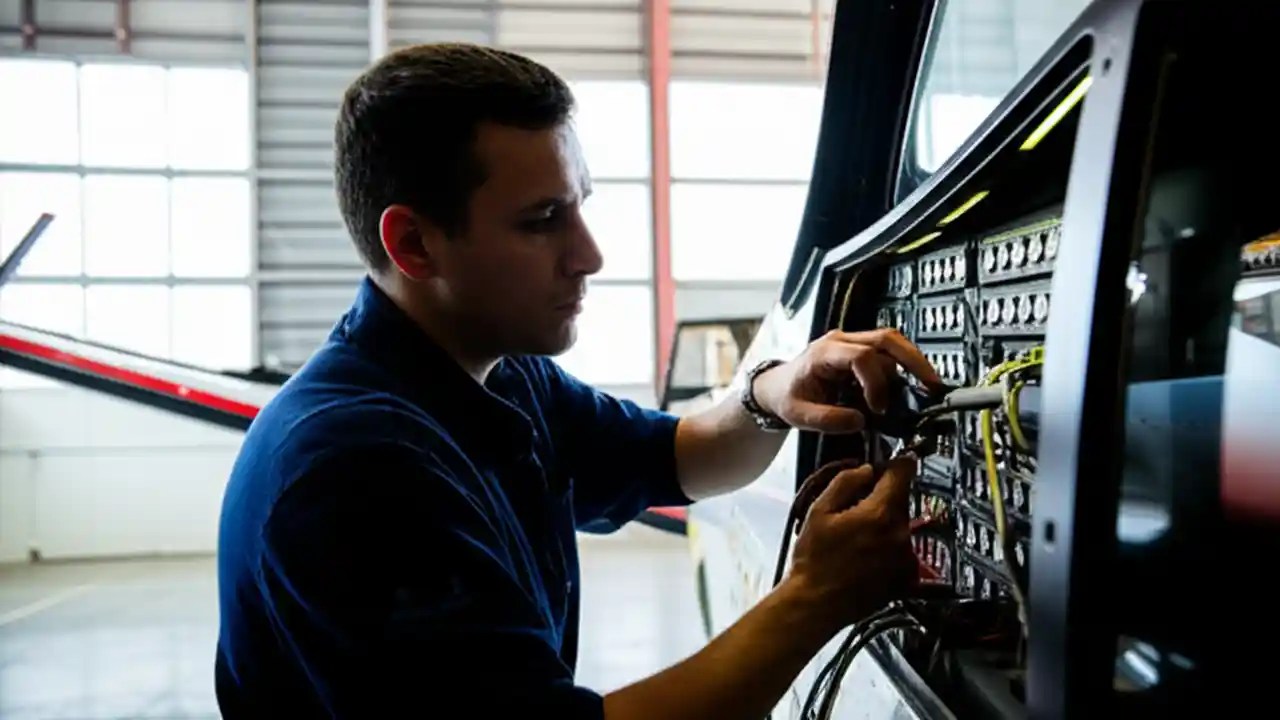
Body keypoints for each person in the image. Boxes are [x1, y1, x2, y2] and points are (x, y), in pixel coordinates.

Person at [214, 42, 941, 719]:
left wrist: (772, 392)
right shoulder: (350, 473)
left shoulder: (499, 373)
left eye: (580, 204)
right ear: (413, 243)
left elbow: (680, 455)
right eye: (542, 221)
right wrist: (813, 597)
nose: (588, 255)